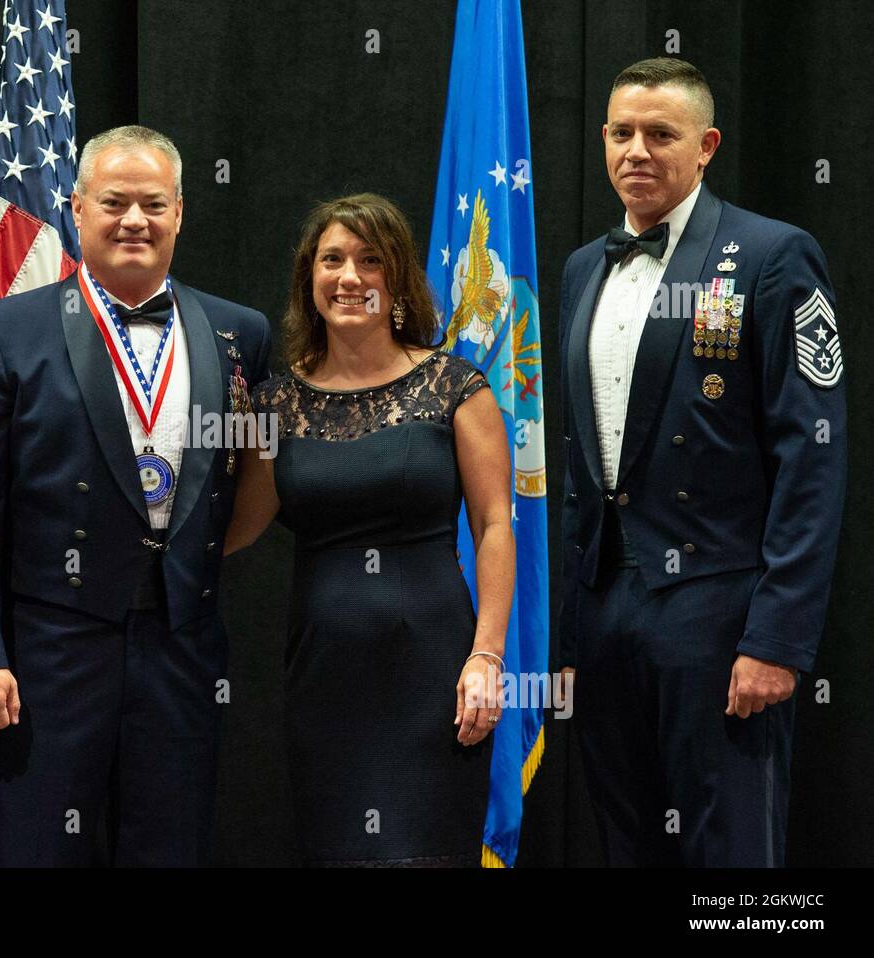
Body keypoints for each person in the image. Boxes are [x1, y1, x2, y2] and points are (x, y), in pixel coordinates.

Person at [0, 125, 271, 867]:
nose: (134, 220)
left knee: (171, 850)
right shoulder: (0, 331)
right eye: (114, 201)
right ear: (77, 209)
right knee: (44, 852)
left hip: (182, 650)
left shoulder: (242, 335)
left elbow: (253, 480)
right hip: (49, 654)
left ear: (180, 213)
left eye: (153, 203)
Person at [557, 57, 846, 866]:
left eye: (660, 134)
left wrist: (780, 638)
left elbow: (811, 459)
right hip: (609, 604)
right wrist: (573, 636)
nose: (636, 151)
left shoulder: (771, 255)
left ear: (707, 144)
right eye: (621, 133)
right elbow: (584, 468)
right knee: (626, 842)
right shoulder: (585, 267)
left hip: (721, 610)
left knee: (731, 851)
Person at [225, 193, 514, 866]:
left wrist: (487, 658)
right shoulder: (270, 404)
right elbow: (233, 528)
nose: (349, 276)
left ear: (397, 281)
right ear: (309, 278)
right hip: (325, 682)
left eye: (370, 260)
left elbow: (496, 524)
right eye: (332, 259)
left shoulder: (456, 386)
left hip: (436, 676)